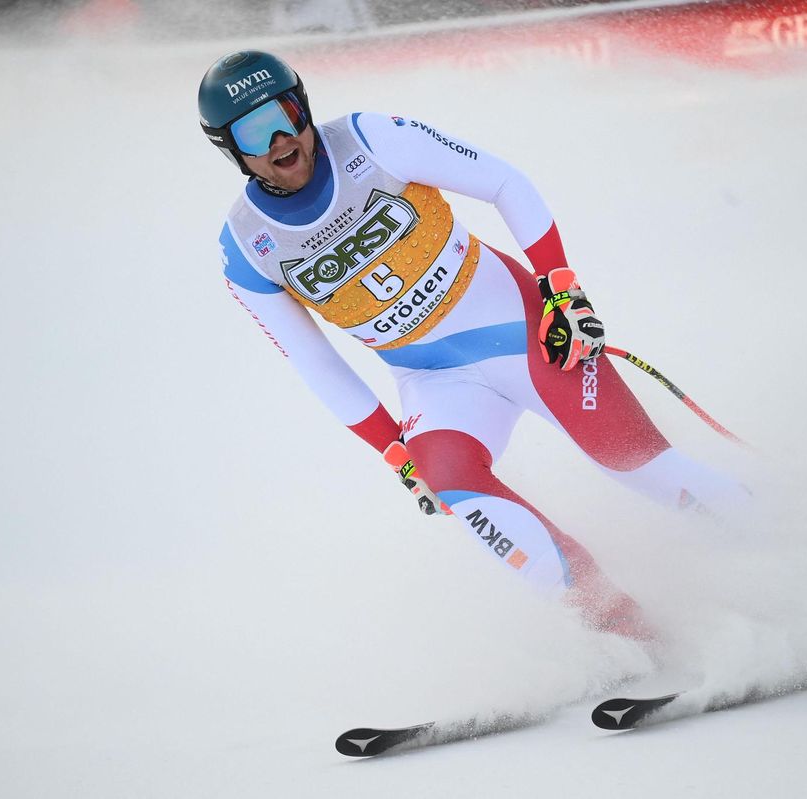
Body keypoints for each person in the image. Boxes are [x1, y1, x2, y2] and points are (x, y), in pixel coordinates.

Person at [200, 50, 746, 641]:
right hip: (435, 382)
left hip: (522, 329)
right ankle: (625, 628)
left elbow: (504, 182)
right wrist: (393, 450)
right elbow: (313, 362)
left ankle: (796, 545)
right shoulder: (245, 247)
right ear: (231, 150)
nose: (281, 137)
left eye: (285, 112)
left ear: (303, 104)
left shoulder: (371, 138)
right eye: (255, 131)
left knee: (636, 465)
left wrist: (561, 288)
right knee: (453, 484)